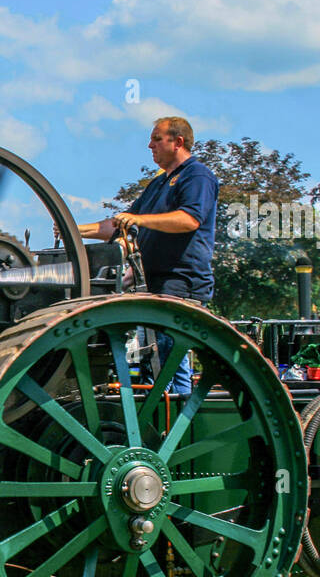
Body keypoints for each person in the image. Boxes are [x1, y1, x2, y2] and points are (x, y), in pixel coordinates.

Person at [77, 116, 220, 394]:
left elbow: (189, 219)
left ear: (177, 142)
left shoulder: (197, 175)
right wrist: (74, 228)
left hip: (180, 285)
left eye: (156, 138)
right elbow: (119, 224)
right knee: (160, 365)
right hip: (156, 287)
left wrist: (140, 221)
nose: (149, 145)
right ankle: (173, 424)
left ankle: (177, 427)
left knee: (167, 365)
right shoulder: (158, 184)